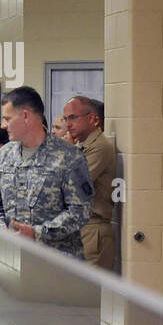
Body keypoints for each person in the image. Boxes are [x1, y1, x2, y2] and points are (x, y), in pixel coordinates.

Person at [0, 85, 93, 257]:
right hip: (12, 257)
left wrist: (37, 233)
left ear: (26, 116)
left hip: (57, 262)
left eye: (7, 118)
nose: (3, 125)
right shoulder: (4, 154)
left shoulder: (68, 157)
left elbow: (81, 211)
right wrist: (0, 228)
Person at [63, 96, 116, 270]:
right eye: (66, 119)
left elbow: (70, 184)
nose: (68, 124)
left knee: (88, 293)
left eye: (72, 118)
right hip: (79, 228)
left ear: (93, 119)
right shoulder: (82, 146)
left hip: (93, 229)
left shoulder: (99, 146)